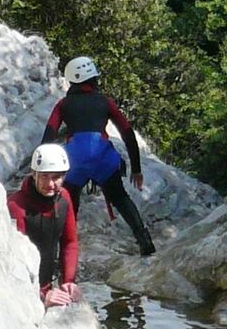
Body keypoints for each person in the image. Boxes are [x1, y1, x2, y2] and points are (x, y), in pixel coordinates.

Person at [43, 55, 155, 259]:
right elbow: (127, 132)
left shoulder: (63, 104)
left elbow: (49, 135)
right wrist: (136, 169)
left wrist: (43, 172)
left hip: (74, 160)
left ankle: (64, 250)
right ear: (93, 79)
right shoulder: (104, 102)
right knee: (120, 198)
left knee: (69, 202)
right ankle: (145, 241)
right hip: (102, 158)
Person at [7, 144, 80, 306]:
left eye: (56, 177)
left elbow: (70, 242)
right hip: (22, 292)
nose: (51, 184)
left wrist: (68, 281)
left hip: (45, 287)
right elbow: (14, 263)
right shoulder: (16, 206)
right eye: (45, 176)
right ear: (33, 174)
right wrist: (40, 297)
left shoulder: (64, 199)